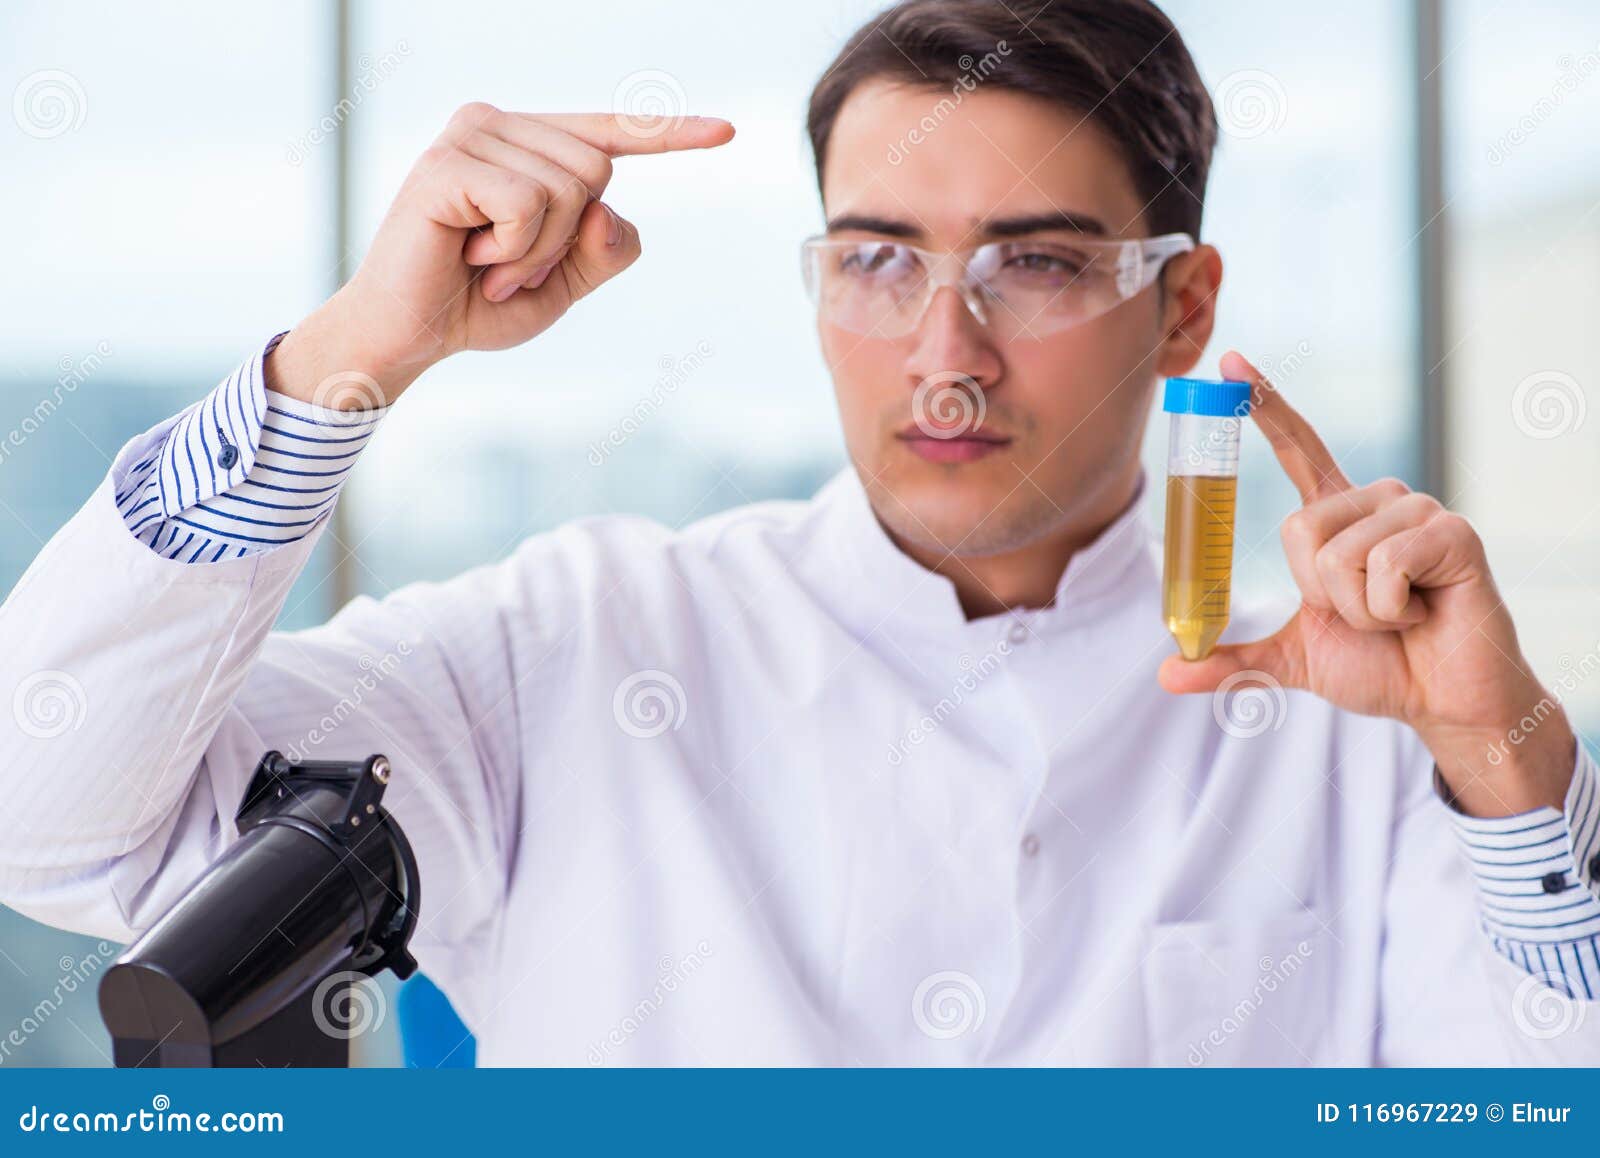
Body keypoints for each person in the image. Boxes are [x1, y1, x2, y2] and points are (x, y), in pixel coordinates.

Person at [2, 0, 1597, 1066]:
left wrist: (1508, 762)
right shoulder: (576, 641)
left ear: (1179, 304)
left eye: (1033, 262)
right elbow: (52, 818)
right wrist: (351, 353)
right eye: (881, 260)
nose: (944, 354)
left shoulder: (1367, 718)